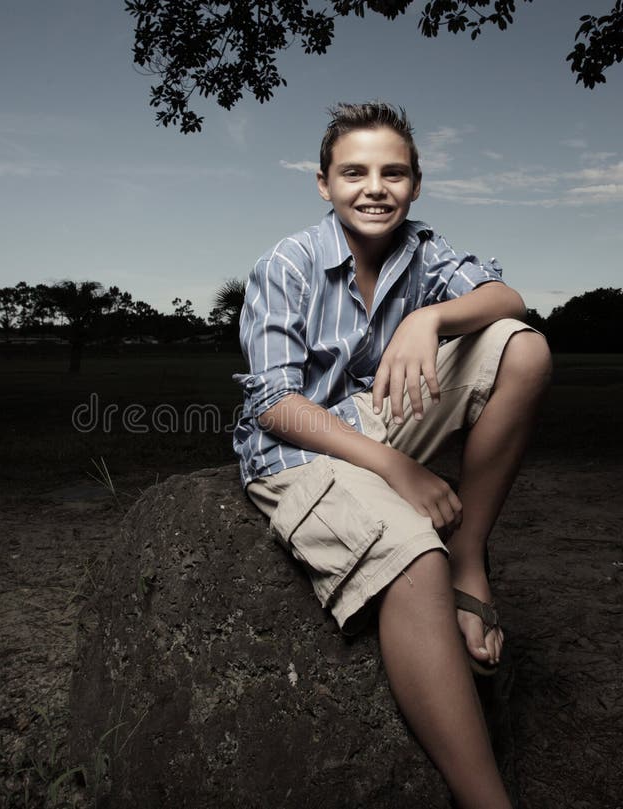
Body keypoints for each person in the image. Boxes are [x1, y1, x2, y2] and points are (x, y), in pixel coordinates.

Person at [232, 101, 551, 809]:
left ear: (414, 182)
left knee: (522, 348)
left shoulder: (421, 252)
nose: (374, 187)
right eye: (354, 172)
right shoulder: (287, 263)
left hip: (379, 417)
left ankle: (470, 555)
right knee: (414, 555)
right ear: (323, 183)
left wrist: (428, 317)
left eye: (392, 172)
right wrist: (396, 468)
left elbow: (511, 298)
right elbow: (273, 404)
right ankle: (485, 800)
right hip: (299, 447)